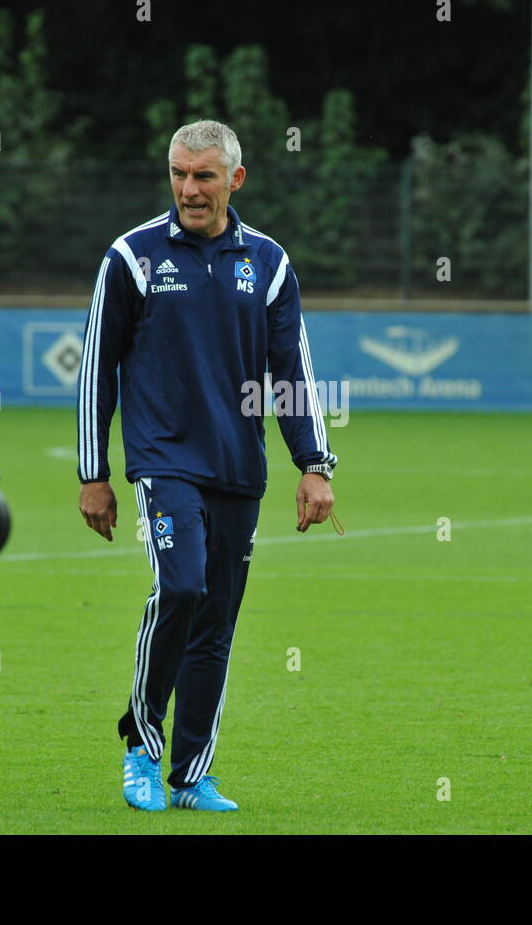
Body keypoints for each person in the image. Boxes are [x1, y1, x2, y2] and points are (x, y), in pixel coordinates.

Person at [77, 119, 337, 812]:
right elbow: (96, 370)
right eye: (178, 174)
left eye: (203, 176)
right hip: (164, 460)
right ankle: (141, 743)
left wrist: (315, 463)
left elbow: (292, 372)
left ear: (235, 179)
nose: (189, 189)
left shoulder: (269, 264)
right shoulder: (132, 257)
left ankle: (191, 774)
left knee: (216, 622)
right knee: (183, 586)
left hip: (237, 467)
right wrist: (93, 473)